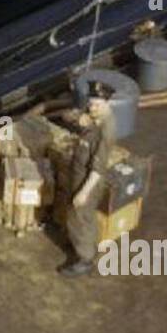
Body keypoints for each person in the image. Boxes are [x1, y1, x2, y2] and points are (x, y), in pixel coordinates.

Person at [58, 95, 117, 278]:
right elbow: (65, 115)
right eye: (91, 103)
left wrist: (83, 193)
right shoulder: (94, 119)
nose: (92, 107)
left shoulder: (105, 132)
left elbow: (97, 169)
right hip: (78, 176)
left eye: (97, 104)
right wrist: (80, 117)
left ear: (108, 104)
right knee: (83, 217)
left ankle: (85, 259)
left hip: (88, 182)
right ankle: (83, 245)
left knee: (80, 218)